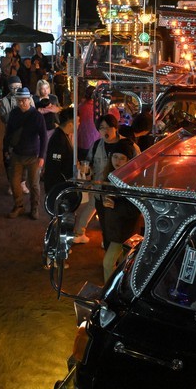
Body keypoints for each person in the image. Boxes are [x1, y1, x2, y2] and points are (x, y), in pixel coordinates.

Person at [73, 113, 140, 245]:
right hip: (100, 192)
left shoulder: (129, 146)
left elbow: (139, 168)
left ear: (116, 128)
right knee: (104, 223)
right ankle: (107, 243)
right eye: (102, 128)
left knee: (120, 226)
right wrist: (86, 171)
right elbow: (89, 164)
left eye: (109, 127)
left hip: (121, 196)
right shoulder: (97, 145)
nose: (105, 131)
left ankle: (115, 251)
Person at [99, 140, 141, 281]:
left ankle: (109, 294)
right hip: (113, 228)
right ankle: (120, 291)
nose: (117, 161)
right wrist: (104, 199)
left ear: (129, 160)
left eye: (122, 158)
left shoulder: (132, 179)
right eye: (115, 157)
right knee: (125, 265)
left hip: (125, 229)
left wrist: (115, 205)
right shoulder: (109, 176)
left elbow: (135, 207)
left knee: (108, 262)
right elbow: (104, 197)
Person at [4, 87, 47, 220]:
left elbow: (44, 136)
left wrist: (42, 156)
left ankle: (34, 208)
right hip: (17, 153)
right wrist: (5, 149)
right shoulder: (14, 114)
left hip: (33, 155)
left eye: (24, 100)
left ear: (29, 100)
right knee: (14, 181)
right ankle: (19, 206)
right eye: (19, 100)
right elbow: (8, 133)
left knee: (34, 184)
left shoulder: (37, 116)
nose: (22, 103)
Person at [43, 108, 76, 196]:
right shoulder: (58, 140)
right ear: (70, 124)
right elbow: (54, 166)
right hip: (57, 187)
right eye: (78, 121)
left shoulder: (63, 135)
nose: (79, 123)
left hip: (60, 185)